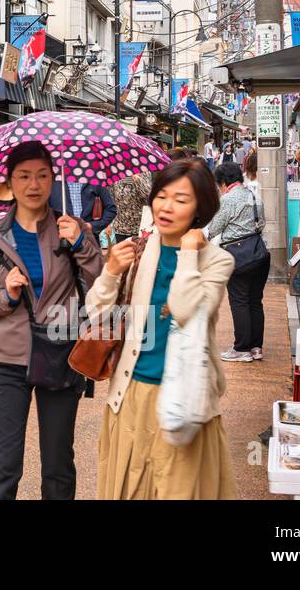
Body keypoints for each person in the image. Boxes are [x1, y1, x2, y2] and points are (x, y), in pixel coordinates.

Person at [88, 158, 237, 499]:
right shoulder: (137, 250)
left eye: (181, 200)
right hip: (131, 396)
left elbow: (185, 310)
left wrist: (187, 255)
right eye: (161, 196)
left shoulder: (217, 260)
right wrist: (110, 271)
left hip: (187, 400)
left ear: (200, 209)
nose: (167, 207)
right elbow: (95, 315)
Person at [0, 141, 103, 500]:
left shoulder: (72, 229)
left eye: (42, 175)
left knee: (58, 464)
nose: (34, 184)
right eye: (24, 176)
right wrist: (5, 296)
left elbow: (102, 285)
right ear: (10, 181)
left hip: (59, 354)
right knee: (3, 465)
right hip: (6, 360)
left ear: (53, 179)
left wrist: (82, 246)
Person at [210, 158, 269, 363]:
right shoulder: (254, 196)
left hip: (238, 255)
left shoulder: (227, 199)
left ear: (223, 182)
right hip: (259, 253)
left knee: (239, 301)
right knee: (255, 301)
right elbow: (261, 223)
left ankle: (241, 348)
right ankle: (256, 348)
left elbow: (214, 228)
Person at [48, 176, 116, 240]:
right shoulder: (52, 182)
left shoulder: (95, 180)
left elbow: (111, 209)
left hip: (89, 239)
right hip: (59, 240)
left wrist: (92, 226)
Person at [109, 172, 152, 242]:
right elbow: (112, 199)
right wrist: (110, 223)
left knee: (140, 252)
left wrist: (136, 178)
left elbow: (148, 195)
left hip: (141, 227)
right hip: (121, 227)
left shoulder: (144, 173)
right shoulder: (116, 174)